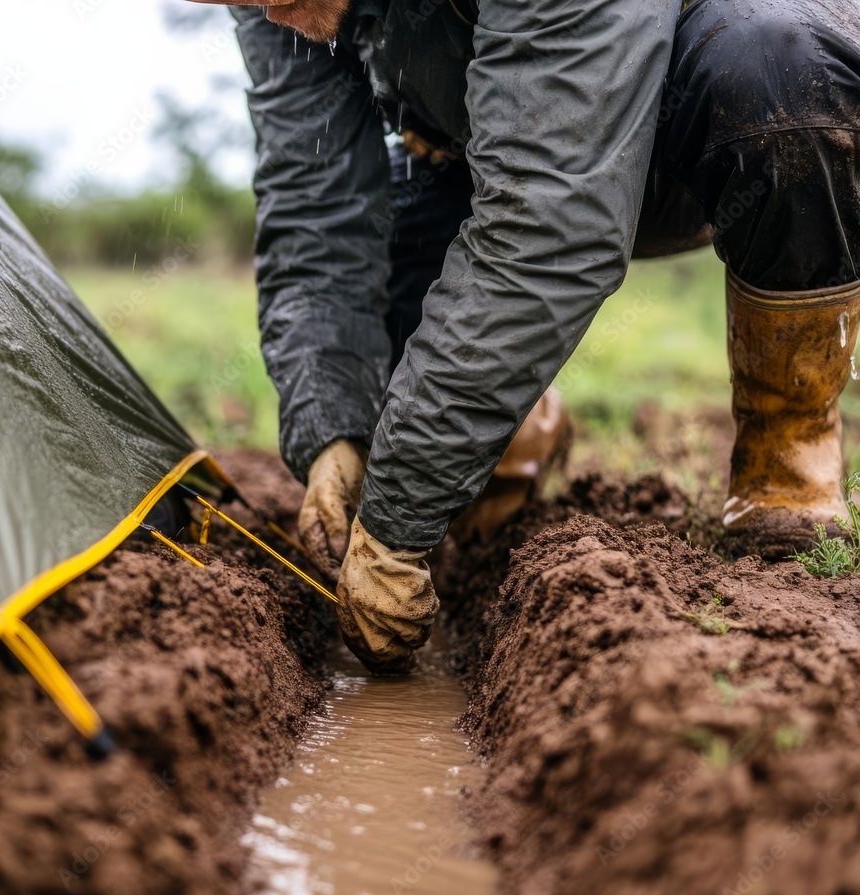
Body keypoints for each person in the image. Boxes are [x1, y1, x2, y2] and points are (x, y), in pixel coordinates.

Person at [190, 0, 860, 672]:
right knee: (396, 242)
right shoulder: (273, 3)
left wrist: (398, 514)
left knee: (782, 69)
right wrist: (330, 427)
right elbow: (316, 204)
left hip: (687, 122)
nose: (265, 12)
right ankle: (515, 429)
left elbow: (552, 217)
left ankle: (789, 452)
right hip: (482, 150)